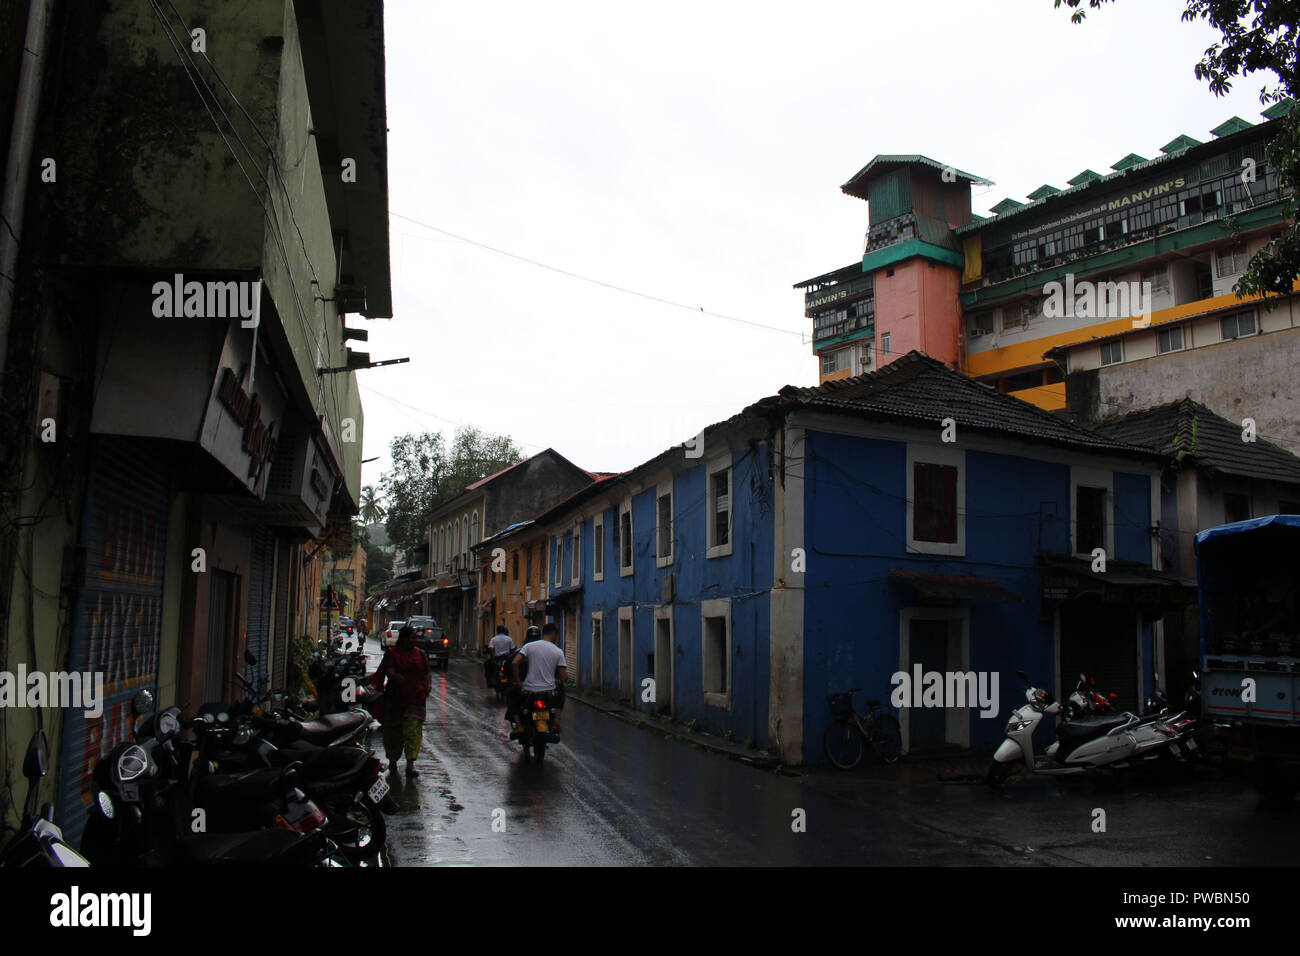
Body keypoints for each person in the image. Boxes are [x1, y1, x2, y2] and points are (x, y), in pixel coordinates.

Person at [370, 625, 431, 777]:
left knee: (413, 731)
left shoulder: (420, 654)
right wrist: (396, 677)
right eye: (412, 638)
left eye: (415, 638)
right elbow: (389, 671)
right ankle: (393, 761)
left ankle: (410, 765)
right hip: (396, 698)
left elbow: (427, 672)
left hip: (416, 699)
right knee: (393, 732)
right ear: (403, 639)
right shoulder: (392, 654)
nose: (414, 641)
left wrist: (427, 686)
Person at [509, 622, 567, 736]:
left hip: (529, 689)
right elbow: (563, 677)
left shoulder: (529, 647)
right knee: (562, 690)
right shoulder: (558, 651)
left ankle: (519, 725)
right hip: (548, 691)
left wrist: (518, 682)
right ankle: (555, 721)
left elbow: (514, 663)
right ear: (554, 634)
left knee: (511, 694)